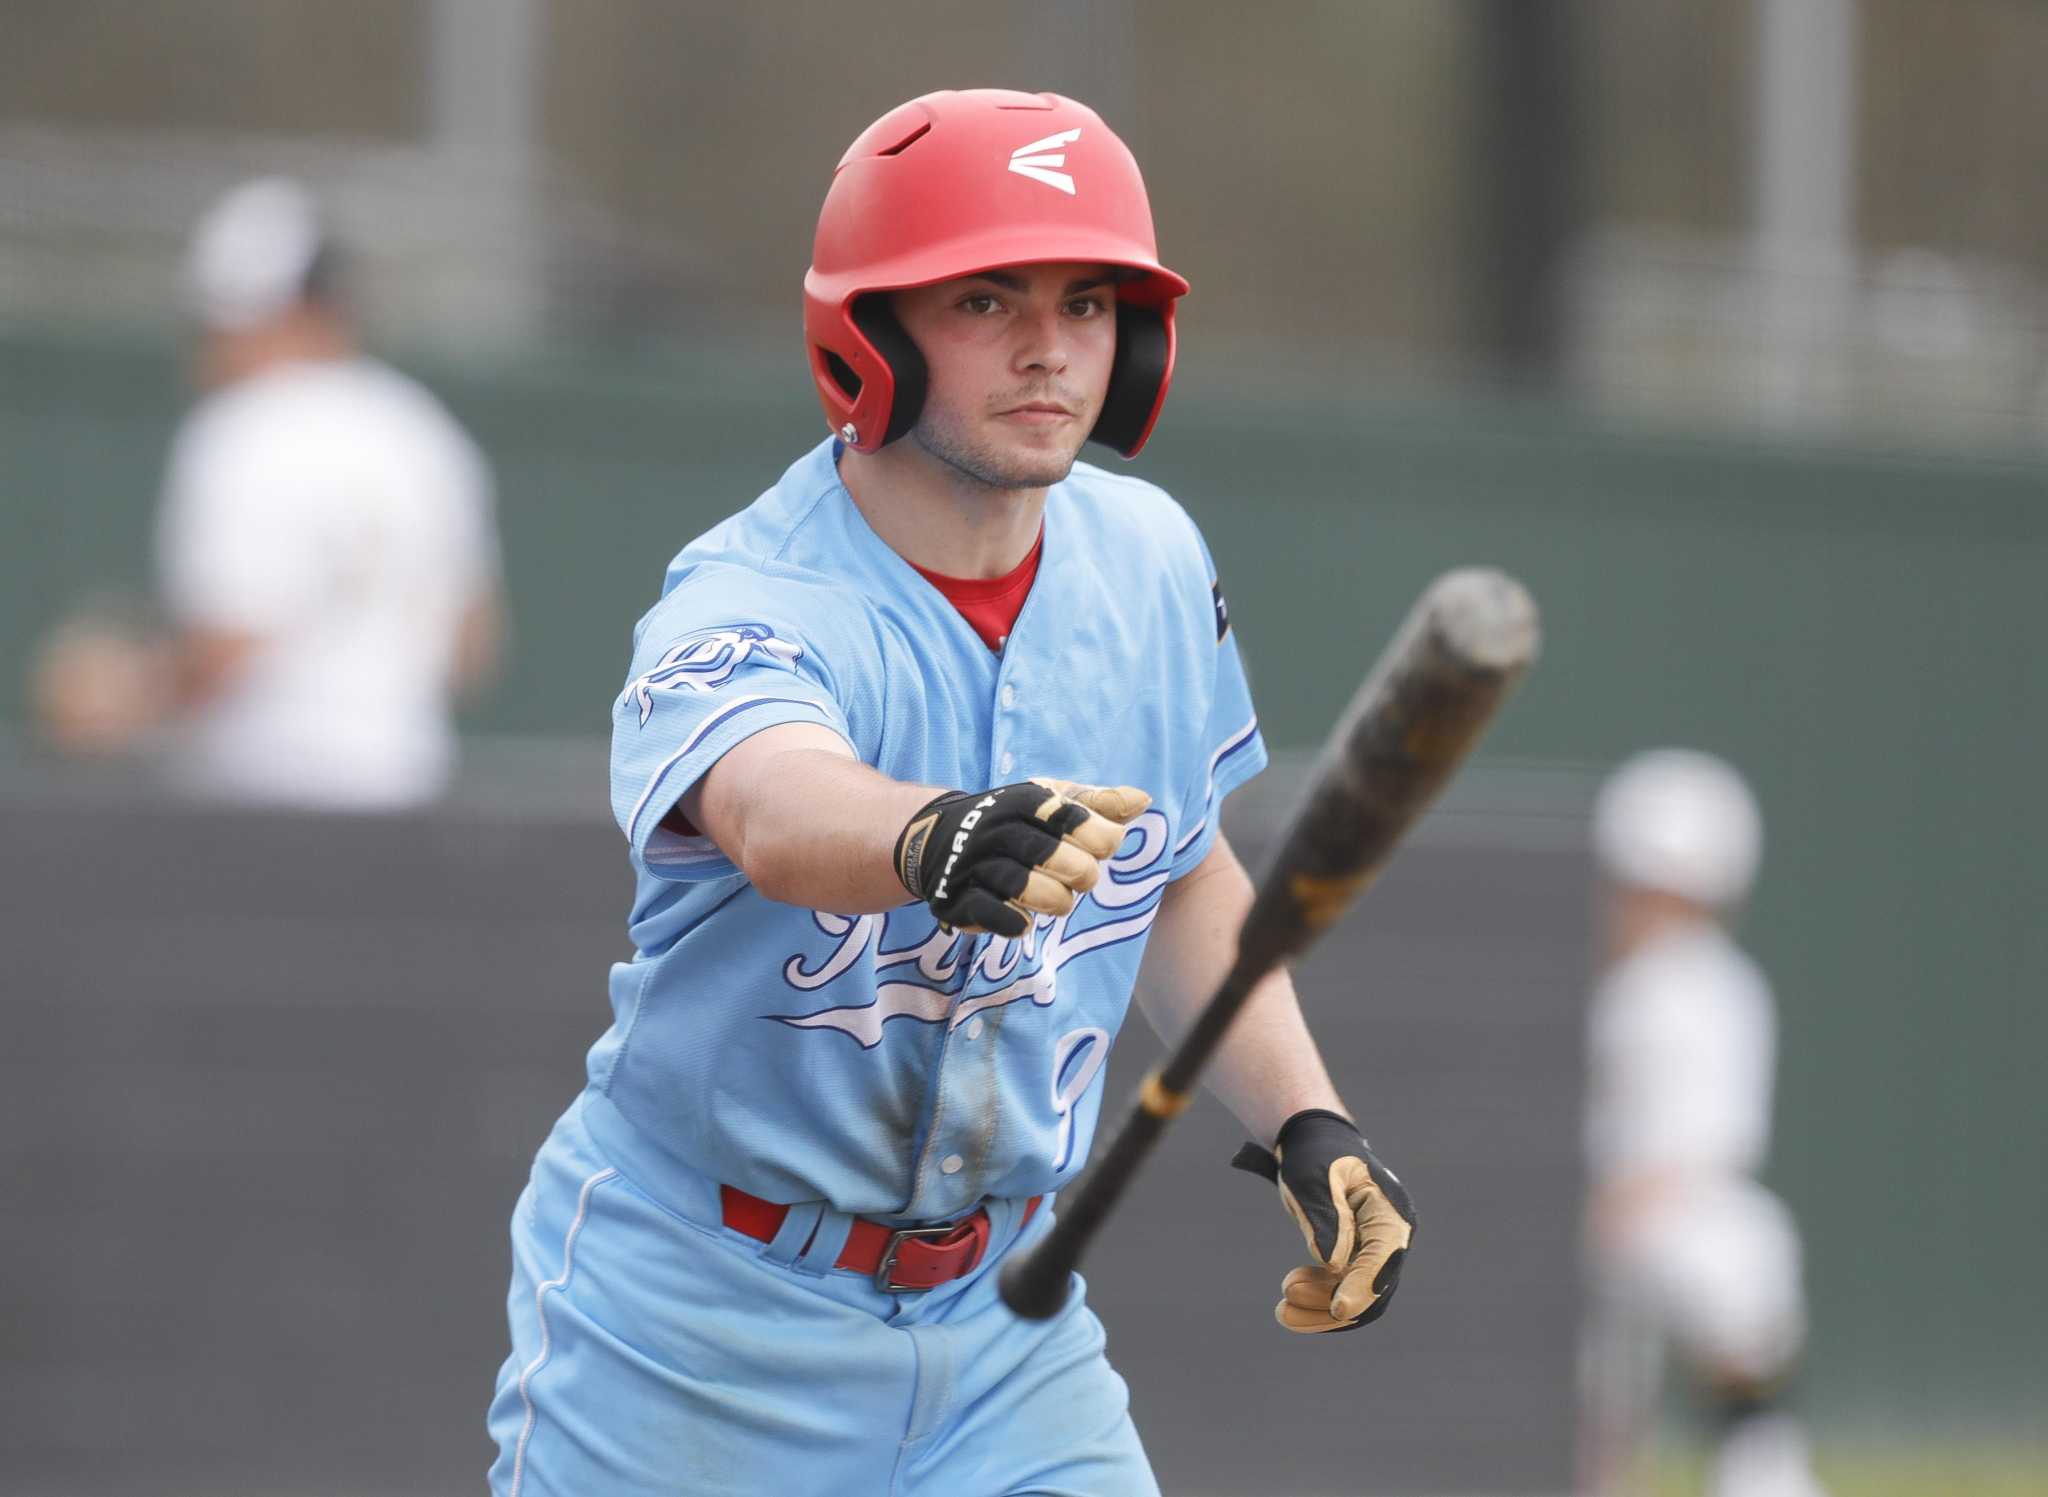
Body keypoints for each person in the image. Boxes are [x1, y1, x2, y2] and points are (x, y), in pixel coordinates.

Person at [487, 89, 1415, 1496]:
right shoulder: (751, 594)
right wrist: (927, 837)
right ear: (869, 336)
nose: (1052, 347)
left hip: (1003, 1325)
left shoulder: (1149, 560)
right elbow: (774, 810)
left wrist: (1307, 1120)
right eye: (987, 298)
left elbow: (1173, 872)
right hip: (696, 1317)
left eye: (1092, 302)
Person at [31, 176, 504, 810]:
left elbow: (228, 644)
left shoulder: (243, 428)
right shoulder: (422, 430)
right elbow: (471, 647)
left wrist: (120, 694)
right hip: (410, 797)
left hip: (264, 803)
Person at [1580, 749, 1826, 1497]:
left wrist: (1601, 1224)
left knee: (1740, 1263)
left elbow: (1694, 1151)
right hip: (1603, 1226)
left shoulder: (1706, 985)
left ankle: (1764, 1468)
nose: (1636, 902)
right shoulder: (1619, 982)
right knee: (1594, 1421)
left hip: (1665, 1217)